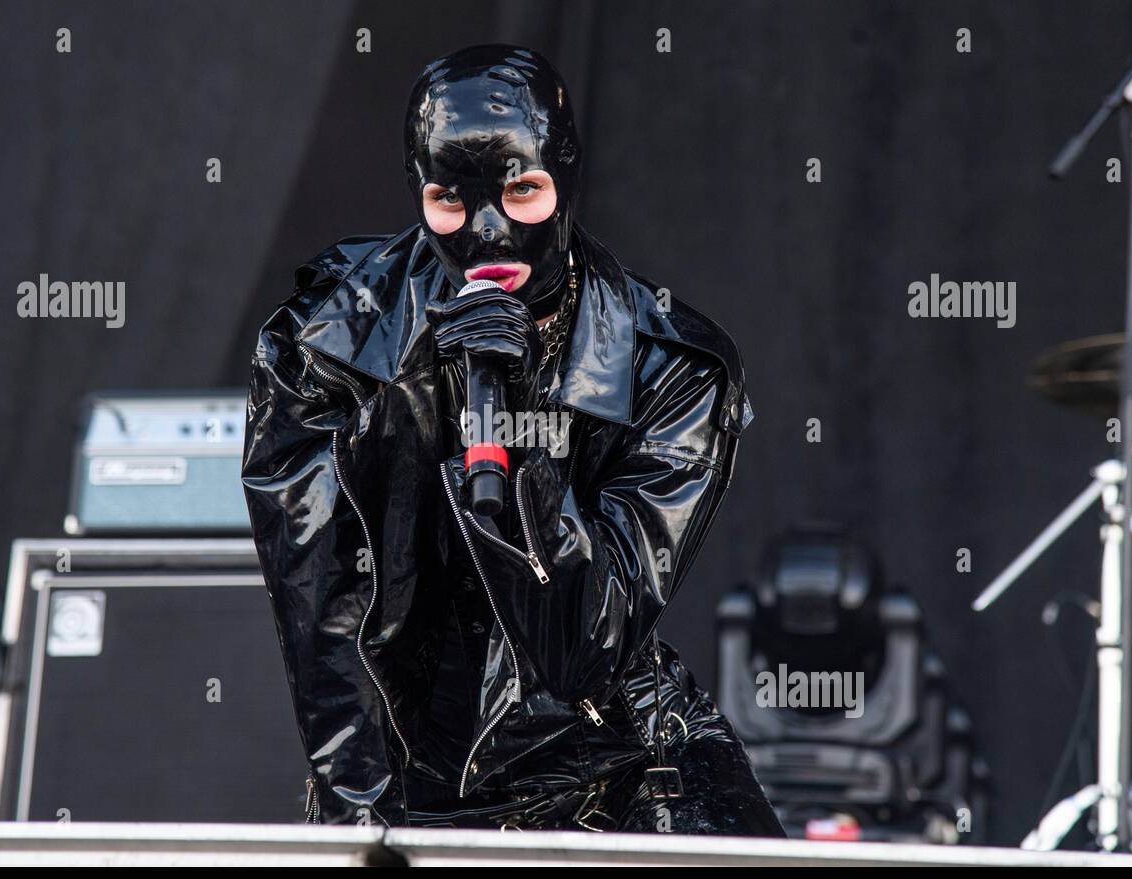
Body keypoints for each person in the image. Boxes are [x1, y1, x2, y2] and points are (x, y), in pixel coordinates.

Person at [242, 44, 784, 836]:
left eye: (522, 190)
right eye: (449, 201)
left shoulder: (671, 364)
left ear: (566, 183)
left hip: (618, 765)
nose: (488, 233)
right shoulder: (324, 343)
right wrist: (364, 819)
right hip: (410, 778)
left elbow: (581, 649)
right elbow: (325, 611)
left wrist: (525, 427)